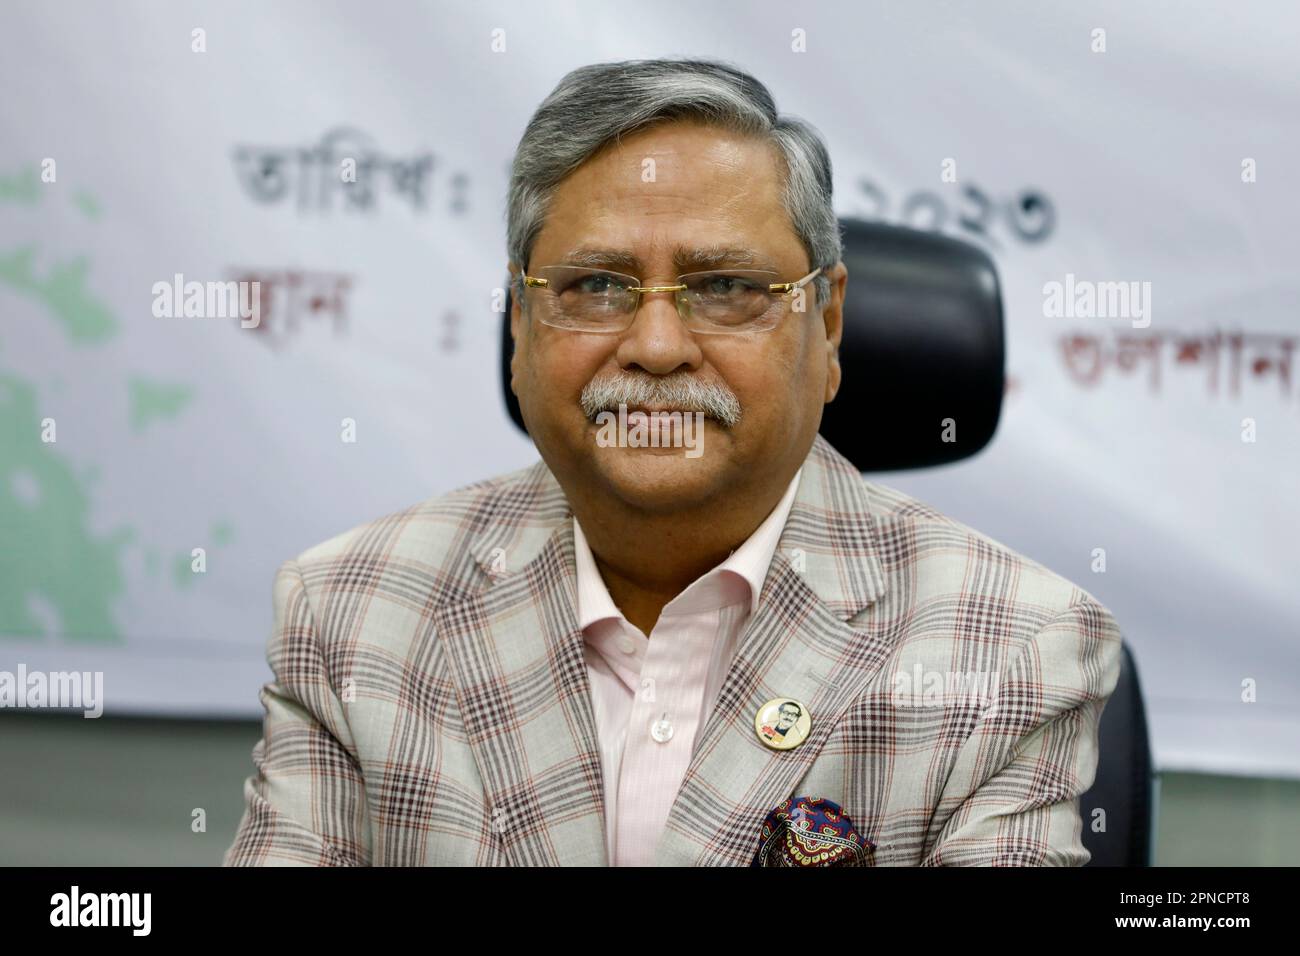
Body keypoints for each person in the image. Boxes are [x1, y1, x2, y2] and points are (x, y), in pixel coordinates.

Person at [224, 57, 1122, 867]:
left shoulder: (1008, 648)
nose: (655, 346)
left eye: (727, 288)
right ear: (519, 327)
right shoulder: (351, 615)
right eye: (597, 288)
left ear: (830, 324)